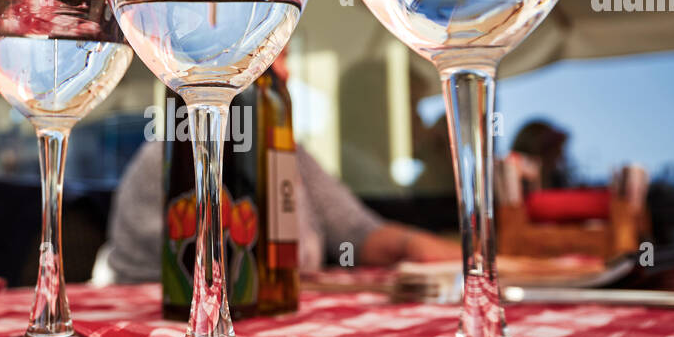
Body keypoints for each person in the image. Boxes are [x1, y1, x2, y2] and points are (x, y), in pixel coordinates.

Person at [104, 138, 459, 284]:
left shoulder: (289, 152)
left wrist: (419, 247)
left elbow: (356, 231)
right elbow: (210, 277)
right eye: (276, 56)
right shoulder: (174, 153)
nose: (284, 71)